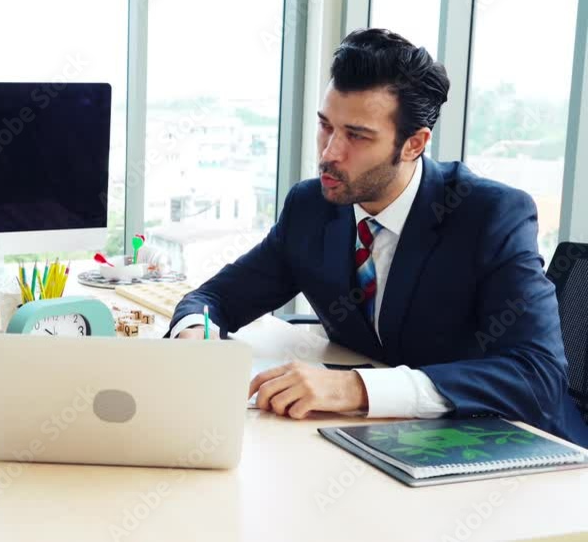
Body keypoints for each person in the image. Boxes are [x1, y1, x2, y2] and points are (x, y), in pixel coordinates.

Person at [170, 29, 588, 447]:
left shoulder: (488, 215)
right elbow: (216, 300)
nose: (329, 153)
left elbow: (537, 376)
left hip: (516, 450)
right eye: (325, 126)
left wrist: (355, 389)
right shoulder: (312, 207)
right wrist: (195, 341)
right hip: (382, 441)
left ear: (414, 144)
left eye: (357, 135)